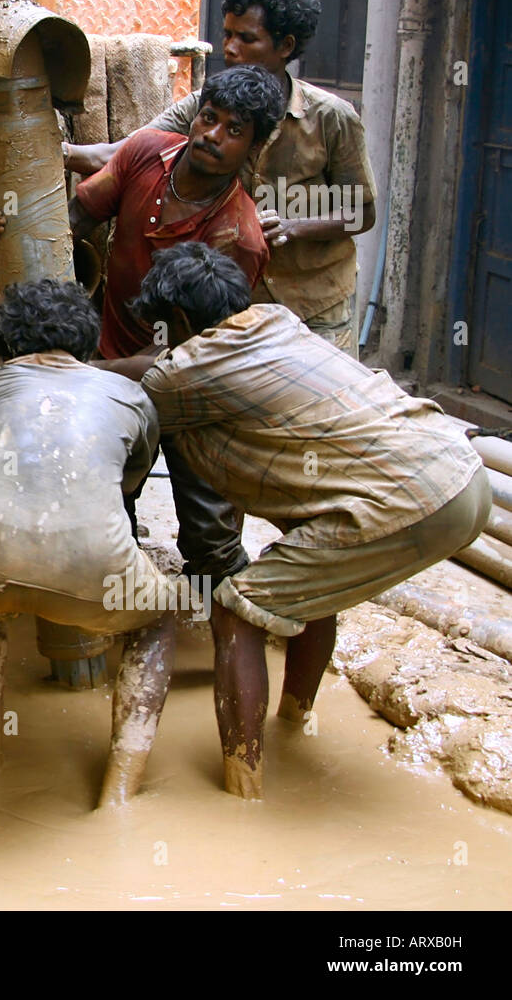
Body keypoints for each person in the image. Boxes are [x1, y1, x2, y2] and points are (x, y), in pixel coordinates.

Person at [110, 243, 491, 800]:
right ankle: (295, 719)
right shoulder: (278, 321)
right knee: (312, 590)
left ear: (183, 321)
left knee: (233, 609)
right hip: (463, 475)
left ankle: (244, 786)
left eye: (163, 327)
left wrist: (78, 367)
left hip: (412, 501)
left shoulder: (184, 375)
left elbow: (141, 383)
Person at [0, 63, 283, 595]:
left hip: (193, 391)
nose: (213, 136)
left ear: (253, 149)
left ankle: (225, 636)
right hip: (112, 356)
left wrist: (86, 374)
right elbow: (64, 228)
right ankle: (109, 623)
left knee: (209, 536)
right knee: (103, 505)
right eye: (210, 117)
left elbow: (181, 355)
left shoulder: (240, 236)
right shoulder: (146, 153)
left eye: (235, 131)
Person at [0, 278, 179, 808]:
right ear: (89, 342)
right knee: (157, 618)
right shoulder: (128, 394)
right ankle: (119, 789)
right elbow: (127, 485)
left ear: (8, 339)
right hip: (95, 564)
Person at [63, 0, 377, 355]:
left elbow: (363, 212)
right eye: (227, 34)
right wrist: (58, 151)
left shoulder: (331, 118)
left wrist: (295, 227)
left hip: (315, 301)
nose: (229, 48)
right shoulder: (206, 106)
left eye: (246, 38)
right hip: (245, 301)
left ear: (285, 45)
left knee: (324, 403)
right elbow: (127, 150)